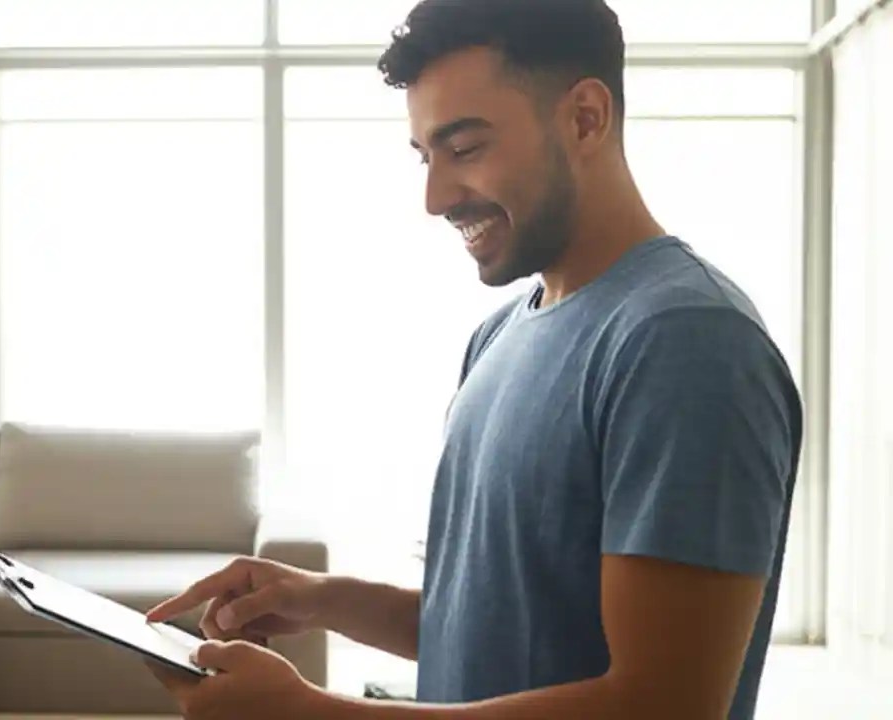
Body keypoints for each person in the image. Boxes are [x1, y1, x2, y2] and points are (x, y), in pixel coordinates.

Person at [144, 0, 803, 718]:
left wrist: (315, 715)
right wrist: (321, 599)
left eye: (464, 150)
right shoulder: (500, 335)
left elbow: (663, 704)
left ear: (585, 117)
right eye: (427, 157)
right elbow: (505, 627)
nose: (434, 198)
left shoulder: (688, 343)